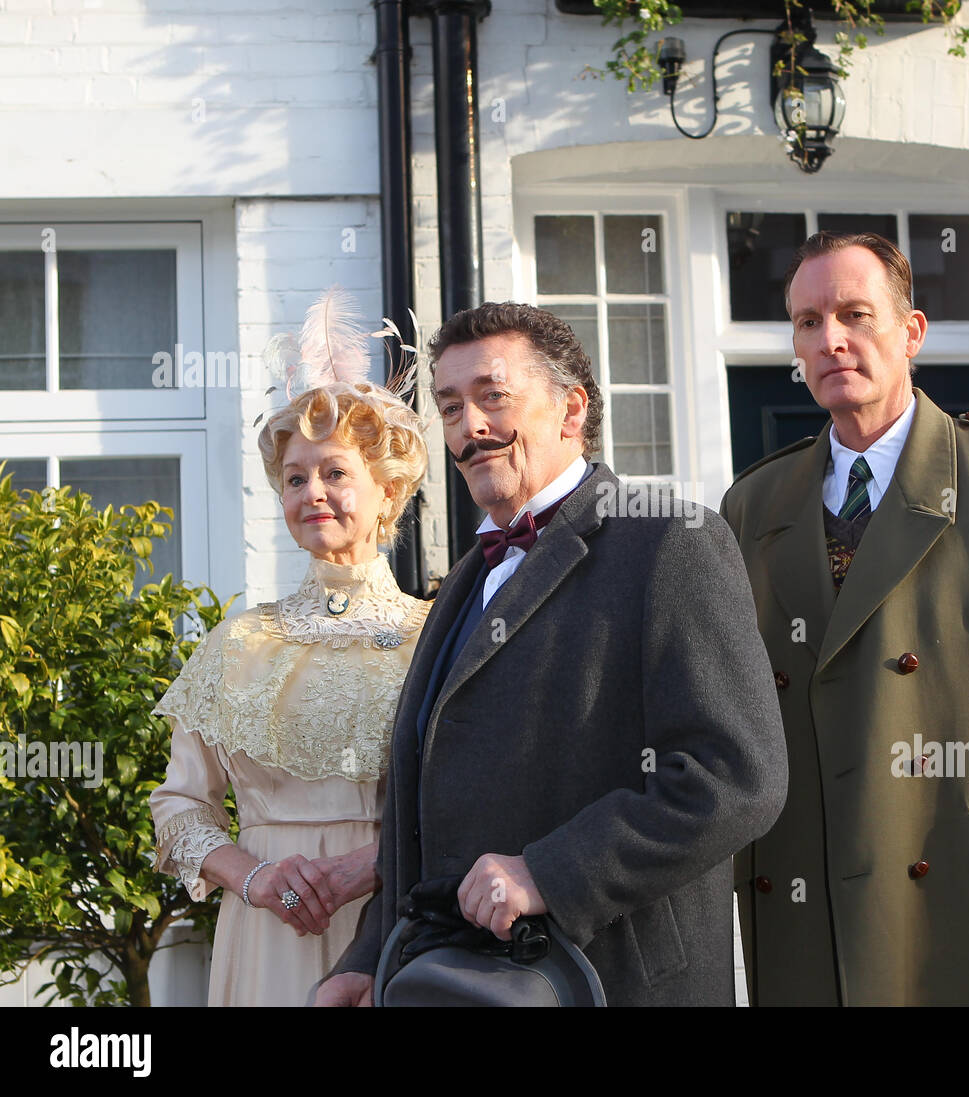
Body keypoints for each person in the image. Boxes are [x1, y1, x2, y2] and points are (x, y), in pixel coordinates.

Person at [313, 302, 787, 1007]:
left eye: (492, 397)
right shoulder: (459, 583)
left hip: (619, 983)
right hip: (453, 984)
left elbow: (737, 777)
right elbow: (419, 811)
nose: (468, 427)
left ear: (572, 410)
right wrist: (368, 954)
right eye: (448, 407)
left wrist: (550, 872)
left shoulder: (670, 542)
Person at [719, 231, 969, 1007]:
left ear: (910, 333)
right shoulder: (754, 503)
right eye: (807, 322)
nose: (830, 338)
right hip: (802, 913)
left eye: (854, 314)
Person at [150, 291, 431, 1006]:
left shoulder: (438, 635)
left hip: (402, 923)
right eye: (295, 477)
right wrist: (255, 876)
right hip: (265, 933)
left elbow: (475, 802)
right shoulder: (239, 643)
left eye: (334, 472)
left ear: (386, 489)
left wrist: (371, 867)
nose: (312, 493)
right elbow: (180, 807)